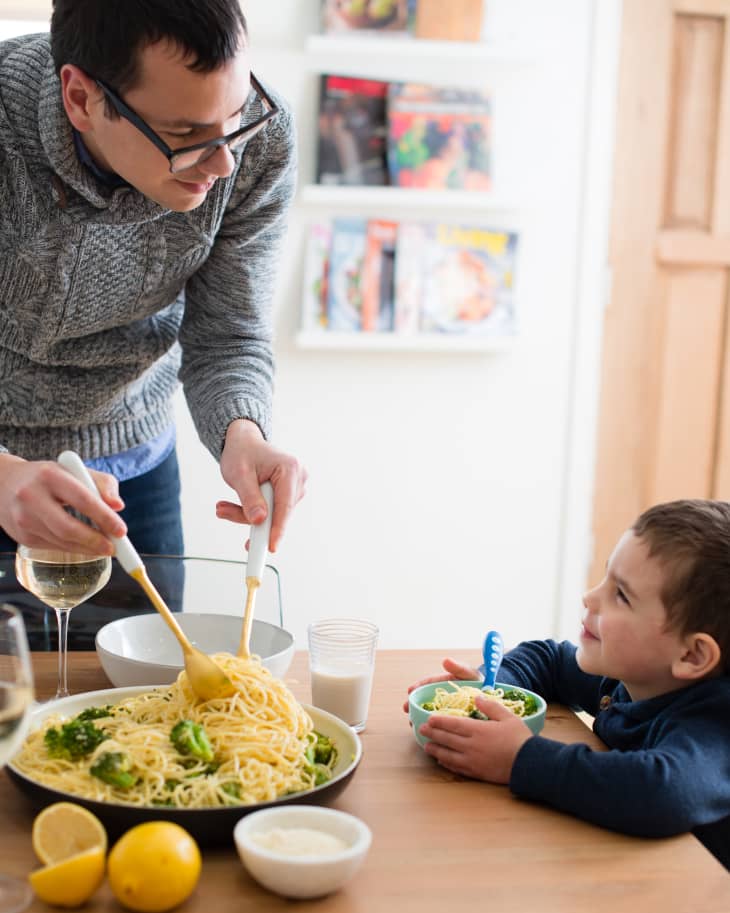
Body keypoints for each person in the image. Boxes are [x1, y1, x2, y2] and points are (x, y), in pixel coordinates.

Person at [0, 0, 306, 561]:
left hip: (135, 463)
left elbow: (229, 334)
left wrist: (243, 431)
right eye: (186, 134)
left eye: (236, 117)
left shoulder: (260, 143)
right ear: (81, 98)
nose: (224, 165)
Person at [406, 499, 730, 868]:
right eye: (605, 577)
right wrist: (489, 688)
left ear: (692, 656)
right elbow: (548, 659)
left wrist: (520, 758)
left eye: (621, 595)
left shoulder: (715, 727)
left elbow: (662, 792)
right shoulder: (638, 679)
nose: (589, 597)